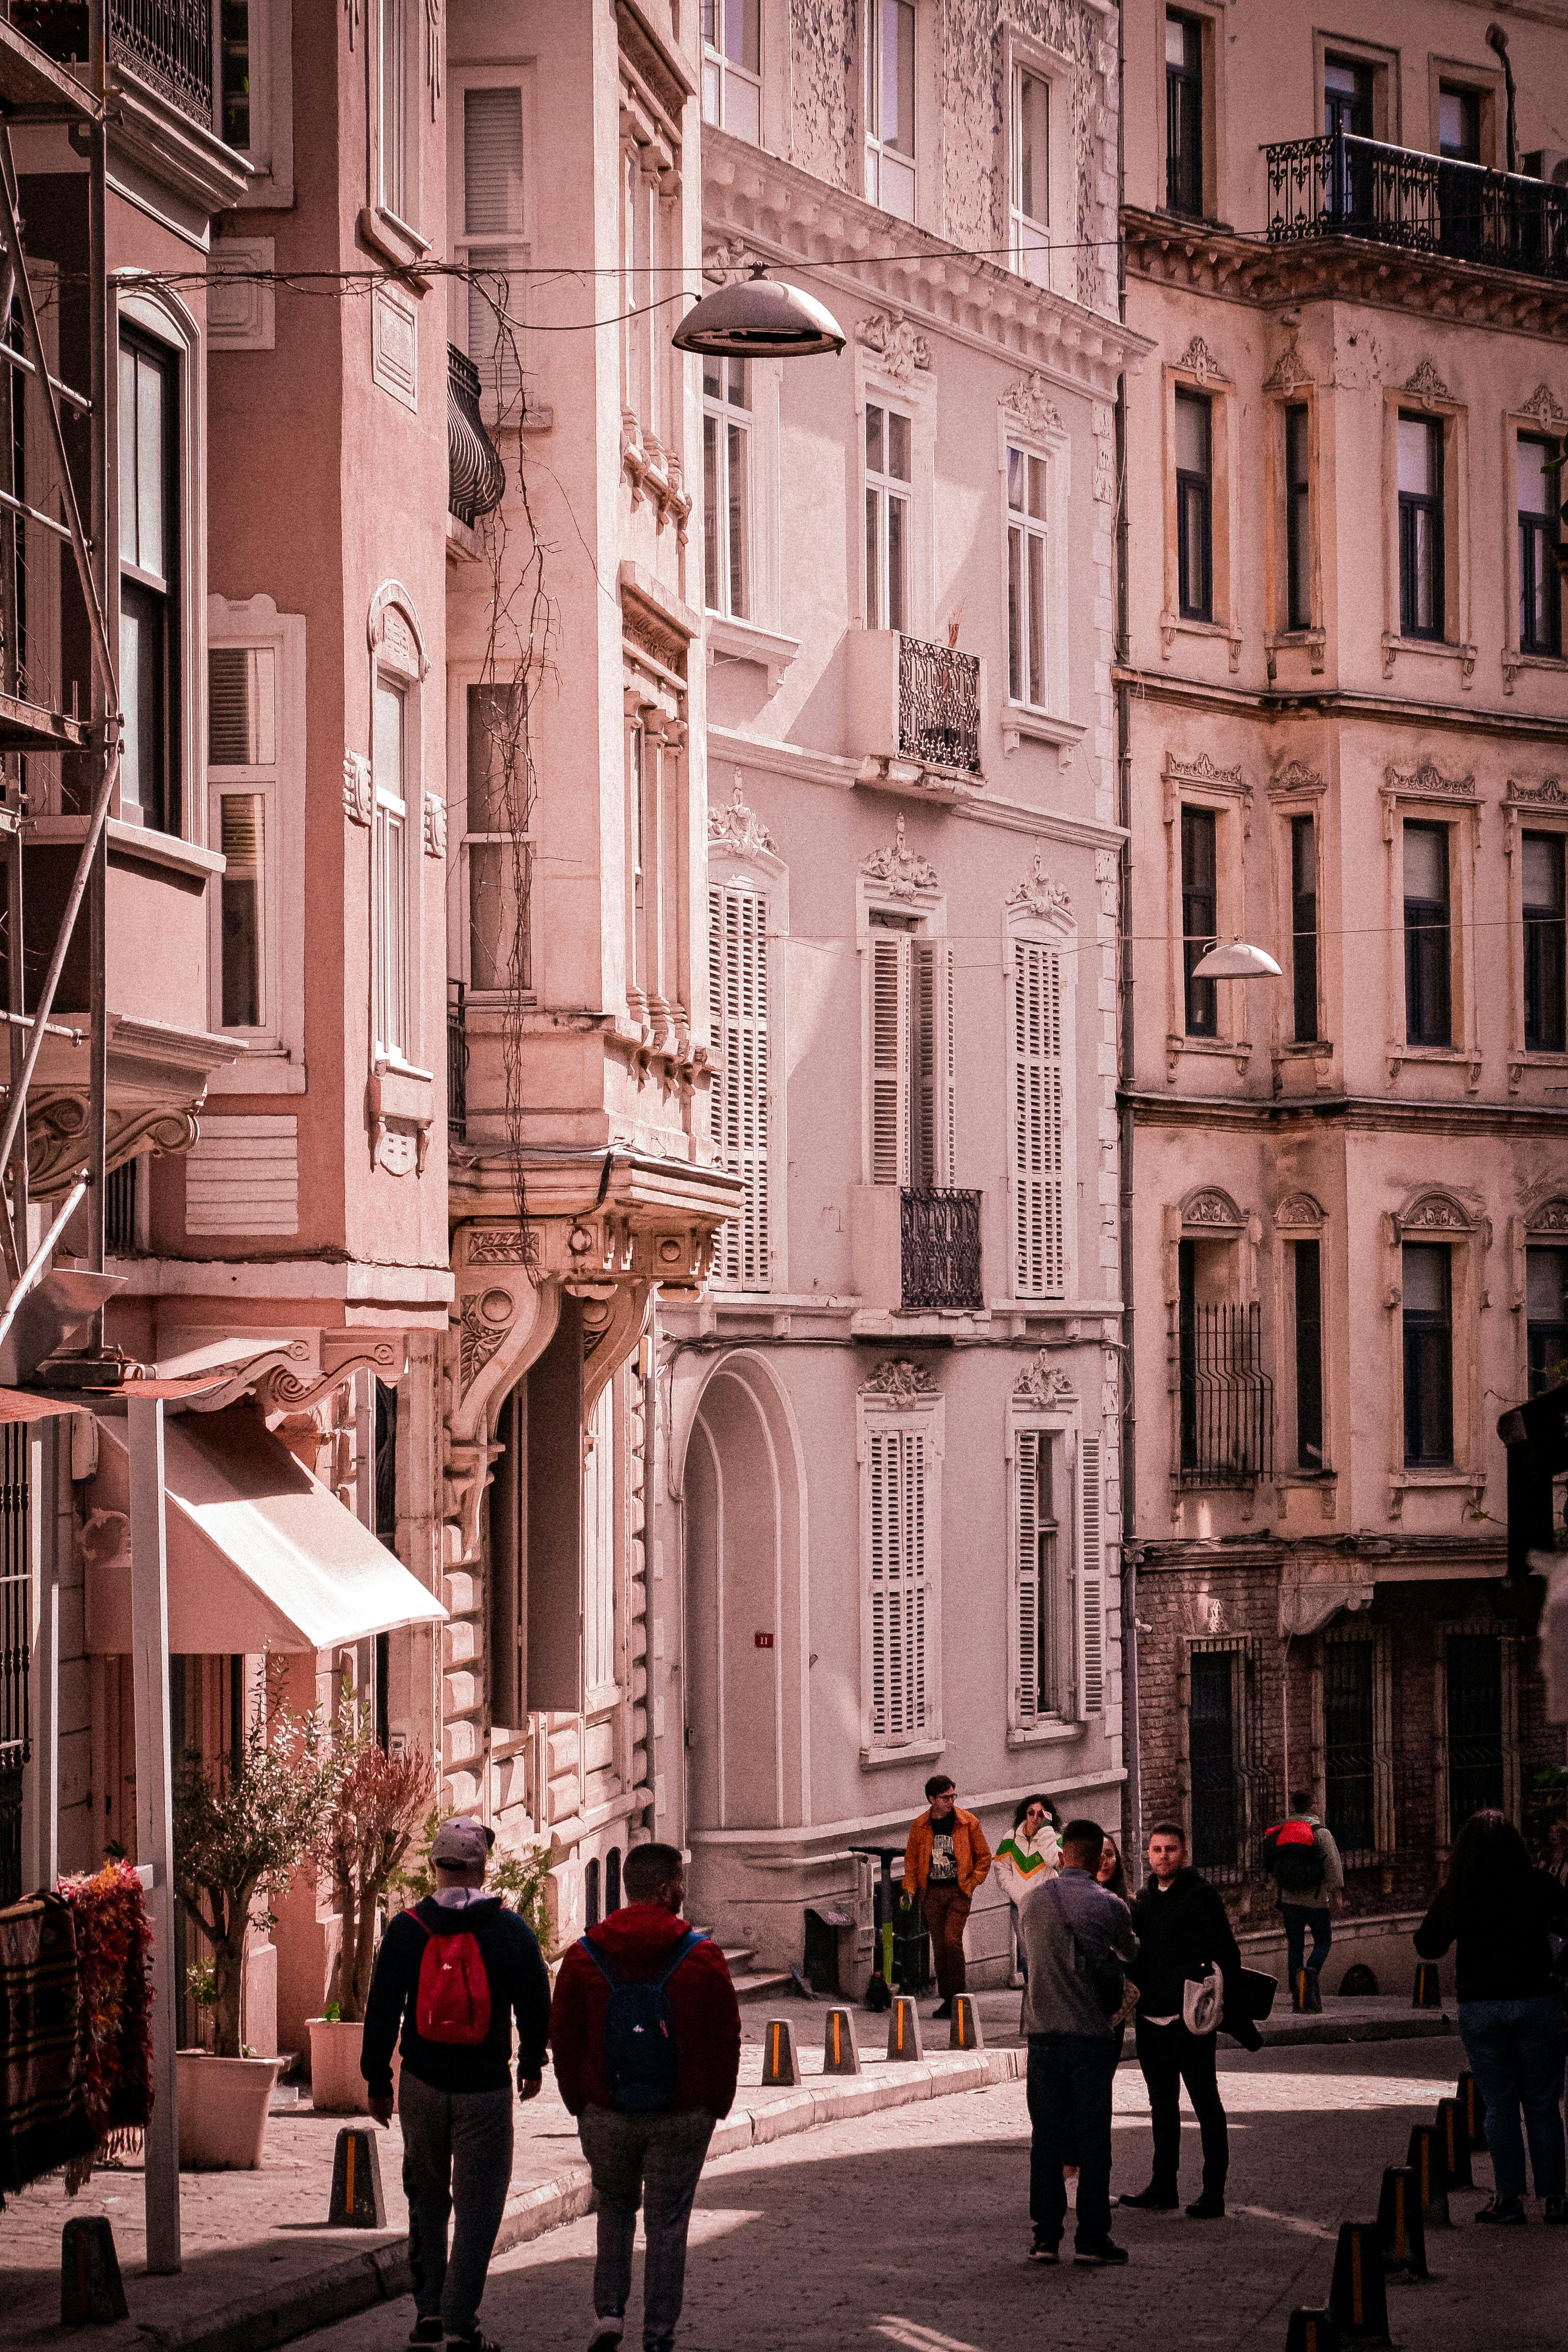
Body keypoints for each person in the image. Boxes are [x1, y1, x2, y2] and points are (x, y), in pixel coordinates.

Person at [361, 1816, 552, 2352]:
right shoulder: (508, 1930)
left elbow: (382, 2008)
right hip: (484, 2090)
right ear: (482, 1868)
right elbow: (537, 2000)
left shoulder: (408, 1929)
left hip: (421, 2085)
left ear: (435, 1867)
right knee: (479, 2208)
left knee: (426, 2198)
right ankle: (460, 2320)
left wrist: (378, 2079)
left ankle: (427, 2312)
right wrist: (531, 2062)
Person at [550, 1842, 742, 2351]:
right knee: (668, 2224)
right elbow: (726, 2035)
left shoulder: (585, 1955)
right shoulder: (702, 1956)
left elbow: (563, 2036)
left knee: (614, 2208)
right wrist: (716, 2103)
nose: (684, 1891)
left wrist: (580, 2102)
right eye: (680, 1883)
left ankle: (610, 2314)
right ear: (666, 1890)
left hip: (606, 2110)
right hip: (682, 2113)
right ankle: (658, 2337)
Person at [1414, 1808, 1568, 2226]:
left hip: (1481, 2005)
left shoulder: (1461, 1890)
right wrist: (1558, 1960)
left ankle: (1509, 2199)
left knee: (1499, 2105)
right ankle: (1555, 2198)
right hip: (1538, 2000)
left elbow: (1427, 1945)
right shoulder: (1539, 1884)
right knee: (1543, 2104)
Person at [1018, 1817, 1139, 2267]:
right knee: (1093, 2139)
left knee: (1046, 2139)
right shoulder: (1111, 1905)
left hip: (1043, 2035)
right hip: (1090, 2037)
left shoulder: (1032, 1901)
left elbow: (1033, 1955)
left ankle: (1045, 2237)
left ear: (1063, 1854)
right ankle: (1091, 2238)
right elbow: (1131, 1952)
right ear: (1095, 1858)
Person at [1123, 1820, 1244, 2221]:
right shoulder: (1142, 1901)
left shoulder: (1201, 1896)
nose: (1163, 1857)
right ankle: (1164, 2185)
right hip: (1150, 2021)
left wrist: (1214, 2006)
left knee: (1206, 2103)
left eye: (1171, 1849)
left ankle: (1213, 2192)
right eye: (1157, 1850)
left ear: (1184, 1853)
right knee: (1162, 2105)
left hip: (1190, 2022)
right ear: (1148, 1854)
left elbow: (1227, 1955)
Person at [902, 1774, 992, 2020]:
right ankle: (948, 1999)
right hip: (931, 1892)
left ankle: (960, 1997)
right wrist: (909, 1890)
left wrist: (971, 1883)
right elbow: (911, 1861)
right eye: (945, 1798)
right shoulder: (921, 1826)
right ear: (932, 1799)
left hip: (958, 1891)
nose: (951, 1801)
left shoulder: (967, 1822)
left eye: (953, 1796)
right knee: (940, 1945)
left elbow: (984, 1856)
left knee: (952, 1941)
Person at [1263, 1793, 1344, 1984]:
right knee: (1323, 1941)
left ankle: (1296, 1990)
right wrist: (1337, 1896)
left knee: (1295, 1947)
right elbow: (1333, 1868)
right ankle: (1309, 1978)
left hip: (1289, 1901)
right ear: (1312, 1806)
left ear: (1294, 1807)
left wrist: (1279, 1893)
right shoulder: (1321, 1833)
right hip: (1316, 1901)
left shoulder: (1283, 1831)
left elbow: (1274, 1866)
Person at [994, 1795, 1061, 1981]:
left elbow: (1054, 1860)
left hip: (1047, 1906)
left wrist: (1046, 1831)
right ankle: (1030, 1993)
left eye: (1041, 1815)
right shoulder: (1011, 1837)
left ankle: (1045, 1992)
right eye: (1031, 1813)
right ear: (1025, 1813)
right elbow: (1001, 1869)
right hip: (1020, 1906)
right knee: (1026, 1954)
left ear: (1048, 1817)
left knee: (1045, 1953)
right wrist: (1019, 1895)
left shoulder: (1055, 1839)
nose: (1035, 1818)